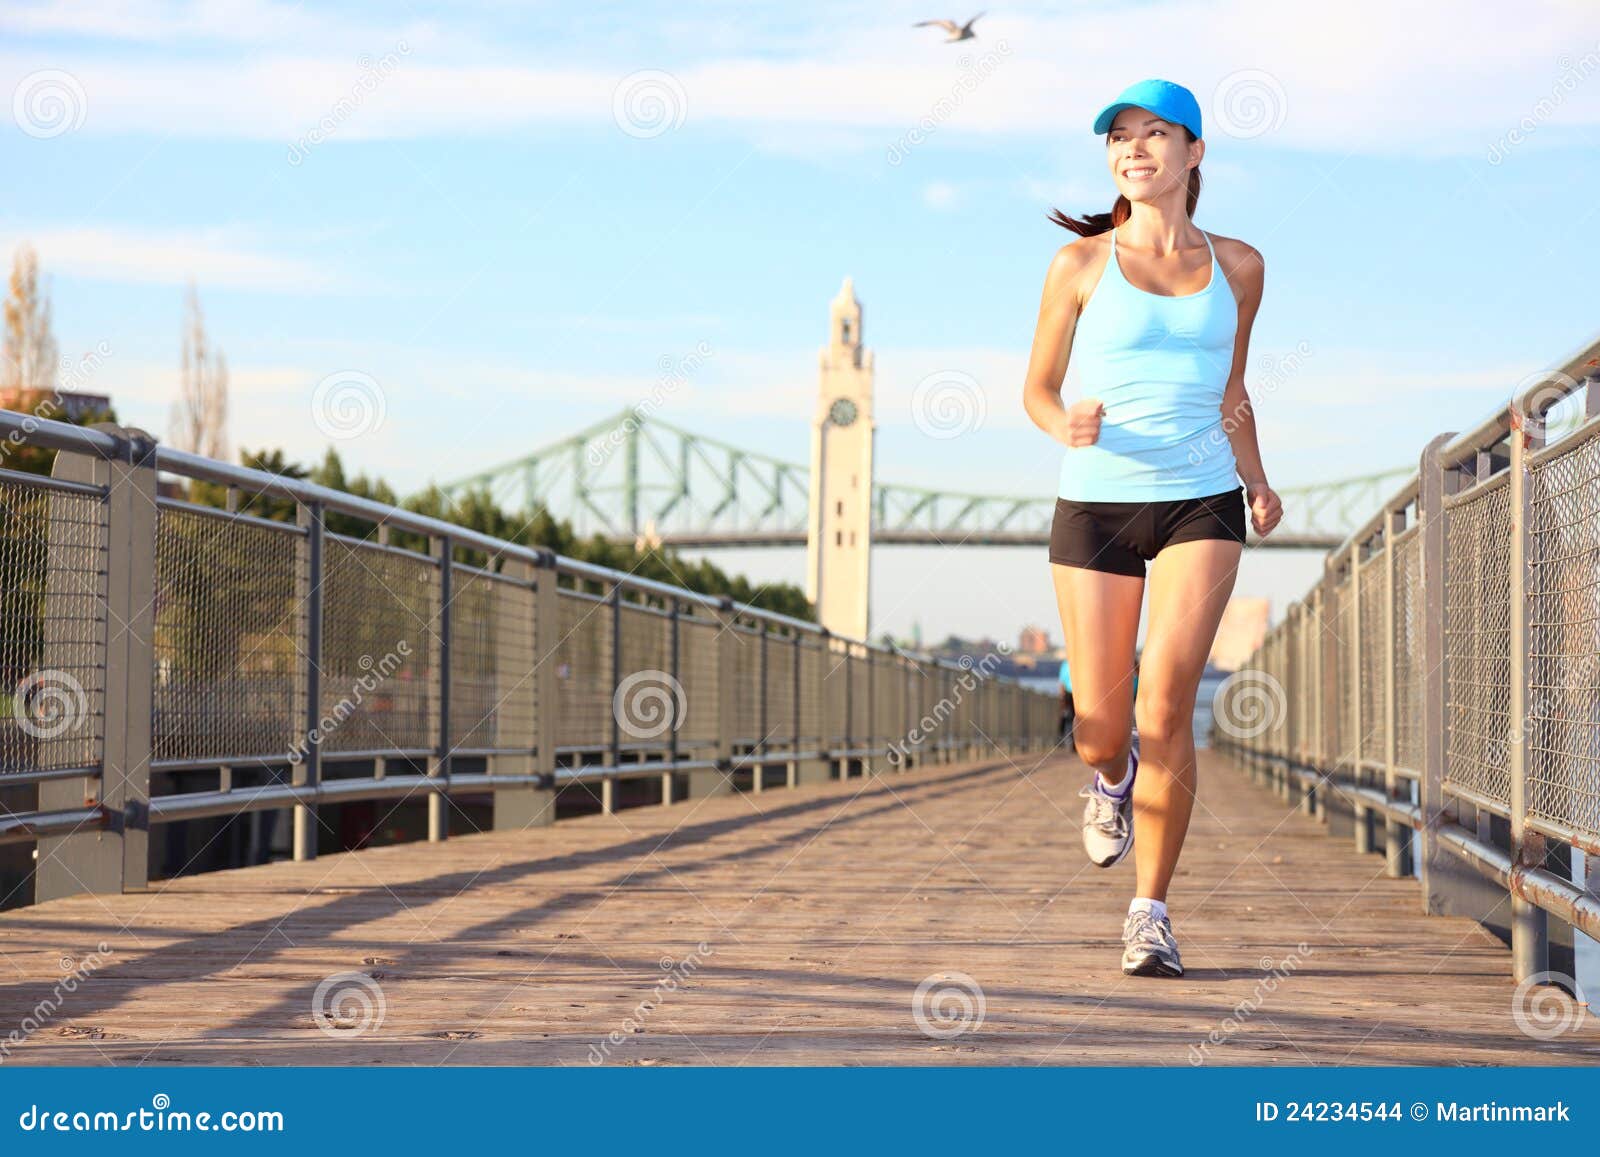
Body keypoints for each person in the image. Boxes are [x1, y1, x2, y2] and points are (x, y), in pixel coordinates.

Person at [1022, 78, 1283, 977]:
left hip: (1201, 503)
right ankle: (1109, 778)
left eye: (1156, 134)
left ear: (1194, 153)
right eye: (1120, 138)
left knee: (1167, 707)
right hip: (1095, 500)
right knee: (1103, 722)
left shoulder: (1240, 266)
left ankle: (1151, 909)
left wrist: (1254, 479)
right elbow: (1037, 389)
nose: (1134, 149)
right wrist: (1066, 426)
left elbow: (1233, 390)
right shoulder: (1080, 266)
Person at [1057, 656, 1075, 741]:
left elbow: (1062, 682)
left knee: (1068, 715)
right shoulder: (1077, 663)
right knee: (1074, 716)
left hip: (1069, 693)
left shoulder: (1065, 664)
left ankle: (1061, 734)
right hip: (1074, 693)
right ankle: (1072, 737)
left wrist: (1062, 696)